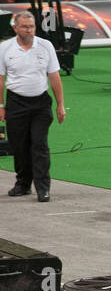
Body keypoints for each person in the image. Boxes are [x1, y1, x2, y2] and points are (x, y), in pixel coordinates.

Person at [1, 11, 65, 202]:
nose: (29, 30)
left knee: (39, 144)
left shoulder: (45, 46)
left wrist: (60, 105)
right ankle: (22, 183)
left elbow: (54, 77)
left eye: (32, 27)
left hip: (40, 103)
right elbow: (1, 79)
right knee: (19, 145)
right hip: (15, 101)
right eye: (25, 27)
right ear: (15, 28)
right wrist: (1, 105)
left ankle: (43, 188)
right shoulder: (5, 48)